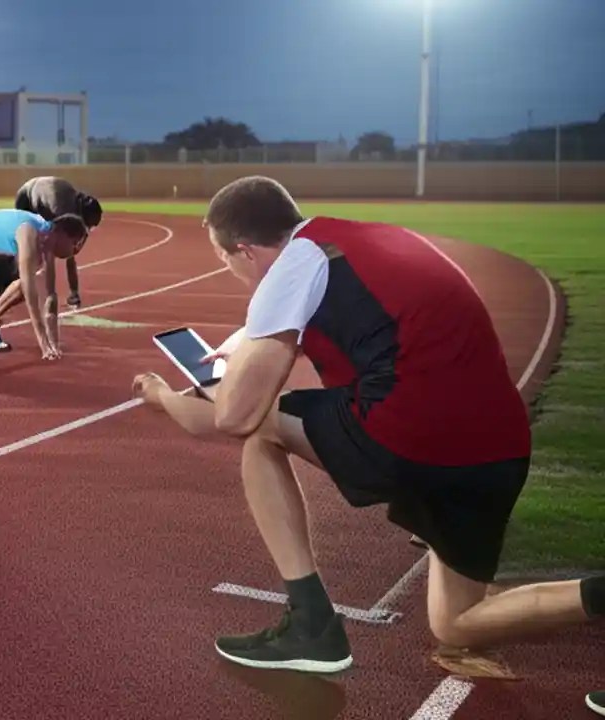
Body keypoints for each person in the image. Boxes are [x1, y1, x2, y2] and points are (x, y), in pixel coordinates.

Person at [131, 175, 604, 673]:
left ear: (245, 251)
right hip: (497, 450)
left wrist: (164, 395)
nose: (226, 267)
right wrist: (249, 341)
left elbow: (233, 416)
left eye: (222, 256)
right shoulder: (358, 239)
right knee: (458, 624)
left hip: (415, 437)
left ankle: (311, 625)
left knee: (260, 435)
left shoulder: (288, 272)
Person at [0, 209, 87, 356]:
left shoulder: (45, 239)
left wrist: (54, 344)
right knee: (27, 282)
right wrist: (43, 343)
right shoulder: (30, 231)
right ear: (61, 234)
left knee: (28, 275)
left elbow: (50, 297)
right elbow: (29, 290)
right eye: (75, 243)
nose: (75, 250)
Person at [14, 175, 103, 308]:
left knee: (67, 250)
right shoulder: (60, 208)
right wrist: (51, 295)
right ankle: (14, 283)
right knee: (30, 246)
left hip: (45, 200)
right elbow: (51, 250)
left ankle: (73, 294)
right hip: (27, 198)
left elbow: (71, 251)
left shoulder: (74, 206)